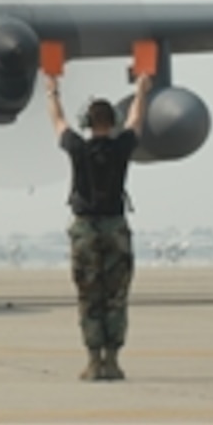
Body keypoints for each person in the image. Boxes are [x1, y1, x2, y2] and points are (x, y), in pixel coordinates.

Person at [45, 72, 151, 381]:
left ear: (88, 123)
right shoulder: (122, 148)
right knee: (116, 296)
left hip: (85, 231)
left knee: (89, 296)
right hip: (116, 229)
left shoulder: (77, 148)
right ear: (112, 121)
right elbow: (136, 120)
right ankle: (113, 360)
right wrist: (141, 90)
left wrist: (52, 93)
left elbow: (59, 122)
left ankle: (93, 361)